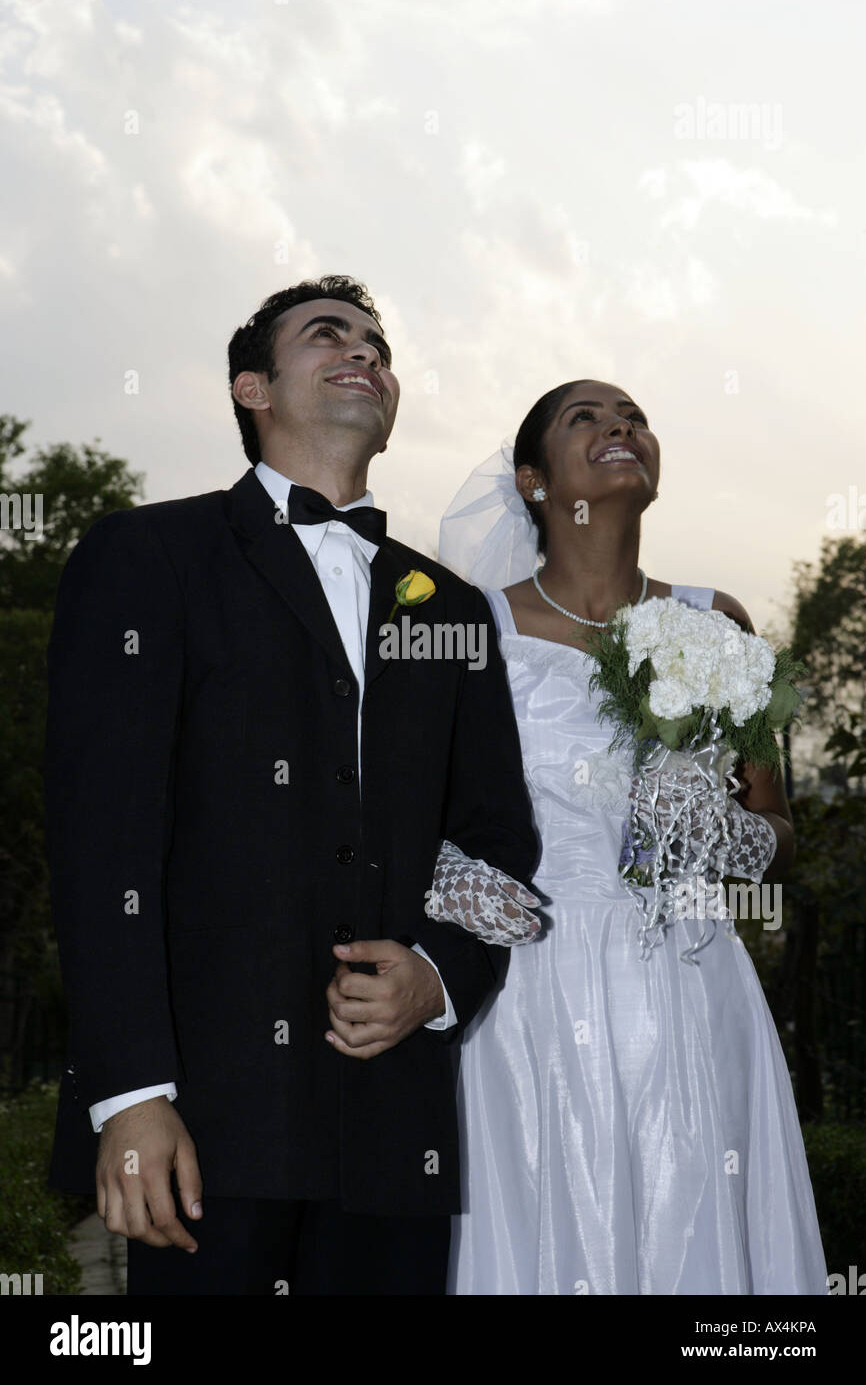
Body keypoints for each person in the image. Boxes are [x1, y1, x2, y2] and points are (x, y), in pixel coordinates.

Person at [44, 275, 539, 1296]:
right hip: (205, 1120)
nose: (363, 351)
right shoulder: (146, 557)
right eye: (327, 335)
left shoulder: (447, 606)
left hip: (393, 1128)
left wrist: (438, 975)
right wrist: (130, 1094)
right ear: (252, 387)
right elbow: (103, 843)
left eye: (376, 343)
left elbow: (492, 836)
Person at [437, 379, 828, 1295]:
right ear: (534, 481)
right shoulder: (472, 628)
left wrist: (720, 832)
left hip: (688, 978)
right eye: (587, 417)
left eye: (635, 417)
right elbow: (415, 812)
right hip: (526, 982)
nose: (622, 426)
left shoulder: (718, 621)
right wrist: (449, 879)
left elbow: (781, 829)